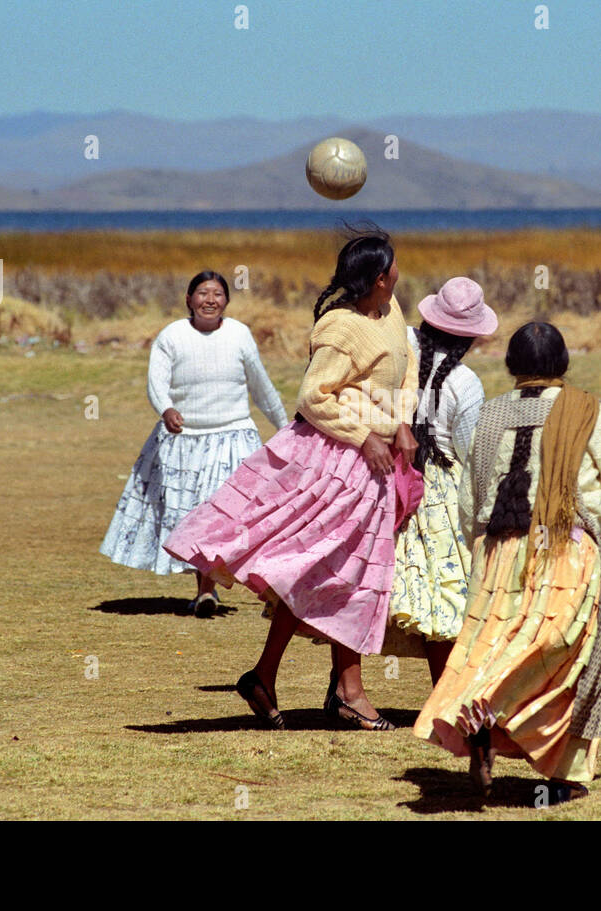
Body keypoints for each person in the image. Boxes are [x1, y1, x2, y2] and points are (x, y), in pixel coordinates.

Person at [165, 228, 419, 730]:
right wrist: (367, 433)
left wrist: (401, 424)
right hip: (341, 461)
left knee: (333, 572)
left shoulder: (391, 315)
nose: (398, 272)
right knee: (336, 571)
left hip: (379, 460)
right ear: (378, 278)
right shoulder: (341, 328)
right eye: (392, 266)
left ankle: (279, 678)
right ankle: (346, 692)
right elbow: (313, 396)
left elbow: (403, 373)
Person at [415, 322, 601, 804]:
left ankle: (482, 714)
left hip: (497, 551)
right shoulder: (585, 410)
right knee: (569, 654)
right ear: (563, 363)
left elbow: (471, 497)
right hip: (563, 549)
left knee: (491, 645)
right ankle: (561, 771)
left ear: (512, 367)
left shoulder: (490, 415)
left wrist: (478, 550)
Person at [100, 271, 288, 617]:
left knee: (233, 518)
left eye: (217, 294)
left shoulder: (239, 335)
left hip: (233, 438)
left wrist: (286, 429)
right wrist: (166, 409)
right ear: (189, 300)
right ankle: (206, 589)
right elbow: (156, 382)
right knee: (195, 517)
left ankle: (217, 590)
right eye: (202, 293)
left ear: (227, 301)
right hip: (184, 440)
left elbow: (261, 388)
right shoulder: (171, 336)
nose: (210, 300)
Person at [383, 277, 494, 684]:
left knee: (384, 586)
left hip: (388, 476)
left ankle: (343, 688)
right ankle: (444, 694)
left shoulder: (400, 350)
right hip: (440, 493)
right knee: (443, 592)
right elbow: (469, 451)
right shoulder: (465, 382)